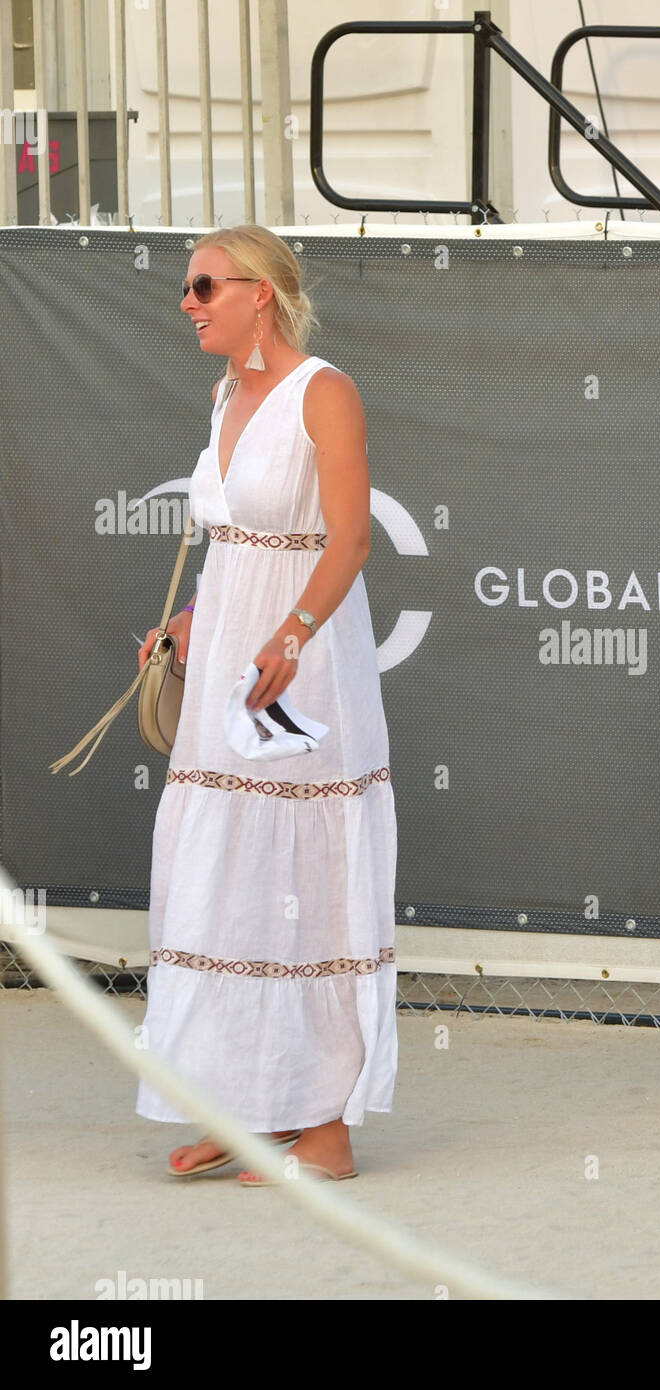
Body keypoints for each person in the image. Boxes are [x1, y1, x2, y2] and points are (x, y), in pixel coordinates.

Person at [134, 225, 397, 1179]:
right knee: (228, 868)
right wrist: (188, 629)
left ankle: (323, 1126)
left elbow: (350, 541)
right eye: (189, 287)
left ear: (263, 294)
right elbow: (232, 543)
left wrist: (289, 634)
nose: (189, 302)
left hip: (303, 663)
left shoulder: (326, 391)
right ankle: (248, 1103)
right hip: (228, 663)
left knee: (309, 873)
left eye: (205, 285)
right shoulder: (225, 393)